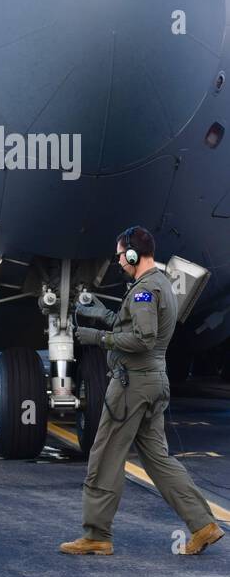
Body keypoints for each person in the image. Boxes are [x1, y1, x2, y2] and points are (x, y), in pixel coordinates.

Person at [64, 227, 224, 556]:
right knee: (158, 460)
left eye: (121, 255)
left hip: (132, 385)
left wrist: (98, 338)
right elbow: (135, 326)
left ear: (134, 254)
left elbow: (142, 339)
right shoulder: (159, 283)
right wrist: (104, 315)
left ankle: (96, 534)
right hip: (153, 382)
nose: (119, 261)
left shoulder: (143, 290)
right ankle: (203, 524)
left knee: (105, 455)